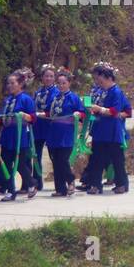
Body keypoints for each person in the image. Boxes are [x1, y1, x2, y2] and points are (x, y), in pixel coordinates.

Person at [81, 62, 131, 195]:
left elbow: (115, 111)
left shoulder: (116, 92)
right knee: (96, 157)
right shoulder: (103, 91)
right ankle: (95, 184)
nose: (99, 82)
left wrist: (99, 109)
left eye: (101, 80)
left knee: (117, 159)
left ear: (109, 78)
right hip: (100, 129)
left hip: (112, 131)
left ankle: (122, 183)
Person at [0, 69, 38, 201]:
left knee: (20, 164)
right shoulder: (8, 100)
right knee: (6, 163)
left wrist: (23, 116)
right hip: (7, 135)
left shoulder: (26, 99)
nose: (10, 86)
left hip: (20, 136)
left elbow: (33, 118)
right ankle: (10, 189)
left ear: (20, 84)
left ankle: (31, 183)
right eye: (8, 83)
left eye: (13, 83)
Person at [42, 69, 84, 197]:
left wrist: (78, 114)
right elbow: (49, 112)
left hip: (66, 133)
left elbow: (82, 113)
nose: (61, 85)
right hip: (54, 132)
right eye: (59, 83)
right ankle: (60, 189)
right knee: (55, 161)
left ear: (69, 83)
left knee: (62, 159)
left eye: (64, 83)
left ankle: (70, 180)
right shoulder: (55, 97)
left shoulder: (73, 97)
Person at [31, 65, 57, 192]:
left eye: (51, 76)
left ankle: (60, 180)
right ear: (42, 77)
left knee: (54, 155)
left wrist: (40, 114)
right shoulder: (38, 92)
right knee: (36, 154)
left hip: (50, 126)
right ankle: (37, 182)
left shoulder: (57, 92)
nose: (48, 78)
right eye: (46, 76)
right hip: (38, 126)